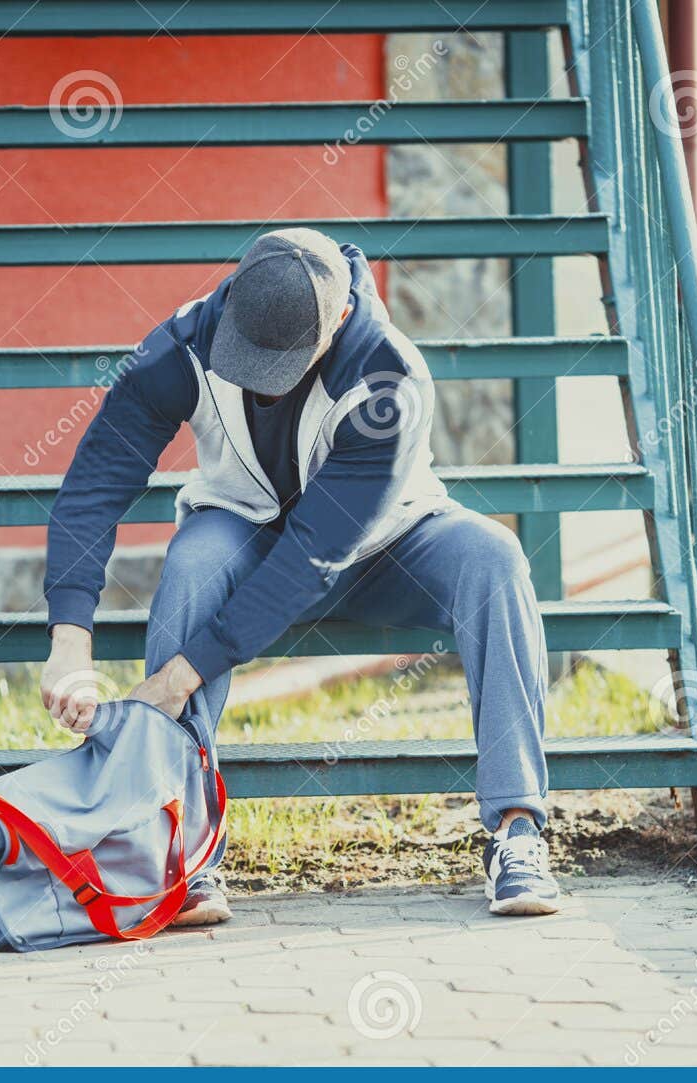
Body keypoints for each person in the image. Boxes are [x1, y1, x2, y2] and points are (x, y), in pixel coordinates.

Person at [39, 228, 557, 925]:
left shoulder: (388, 380)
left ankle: (517, 829)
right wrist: (69, 635)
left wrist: (179, 675)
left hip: (383, 545)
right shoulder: (185, 341)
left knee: (495, 559)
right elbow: (99, 476)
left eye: (279, 364)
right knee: (193, 561)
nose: (259, 380)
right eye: (247, 358)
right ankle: (180, 845)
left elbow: (313, 556)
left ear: (338, 320)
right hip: (241, 534)